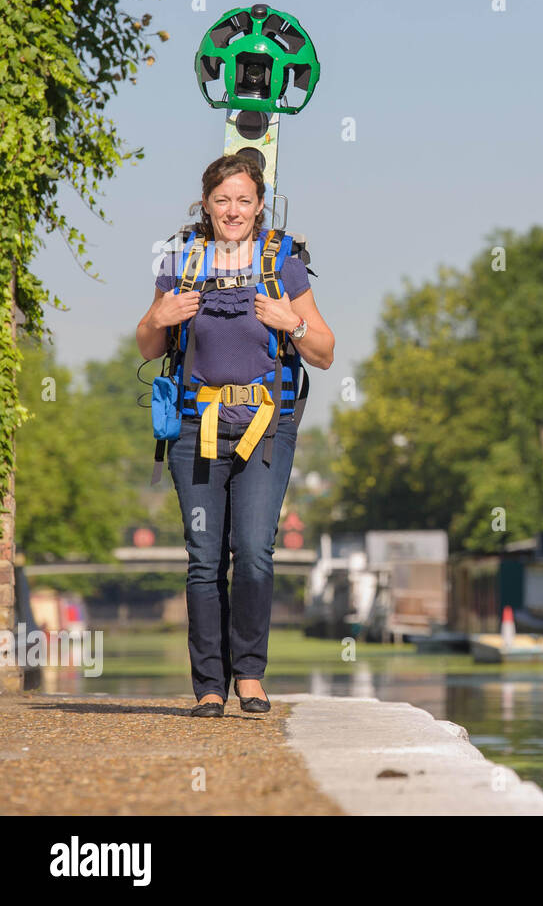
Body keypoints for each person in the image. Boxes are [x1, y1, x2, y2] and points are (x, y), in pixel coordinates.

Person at [136, 155, 334, 718]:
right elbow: (148, 346)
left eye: (244, 200)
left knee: (252, 553)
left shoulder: (284, 265)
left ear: (259, 205)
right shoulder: (180, 261)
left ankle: (249, 674)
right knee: (203, 558)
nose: (233, 210)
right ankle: (209, 686)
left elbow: (323, 351)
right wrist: (162, 315)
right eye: (222, 200)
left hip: (266, 427)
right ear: (206, 204)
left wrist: (288, 323)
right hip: (196, 429)